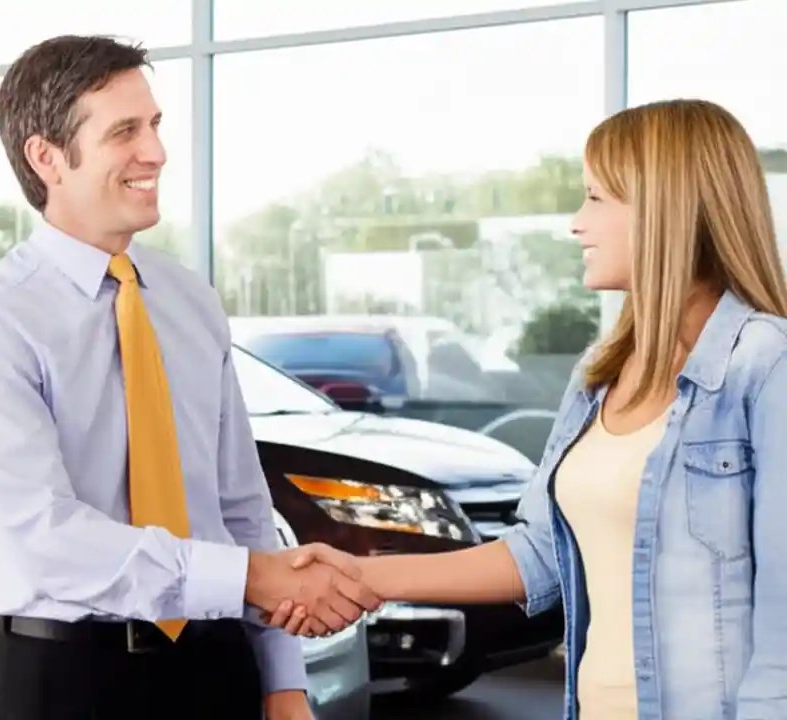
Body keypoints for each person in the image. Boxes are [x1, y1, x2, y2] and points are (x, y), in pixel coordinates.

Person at [268, 98, 787, 719]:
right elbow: (539, 554)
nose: (576, 223)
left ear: (665, 209)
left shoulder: (764, 366)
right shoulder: (603, 373)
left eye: (596, 198)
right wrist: (363, 575)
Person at [0, 35, 379, 720]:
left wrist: (283, 680)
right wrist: (251, 579)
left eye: (155, 126)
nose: (156, 153)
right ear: (47, 157)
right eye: (125, 132)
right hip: (70, 681)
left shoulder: (189, 301)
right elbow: (46, 538)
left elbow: (240, 505)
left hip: (217, 667)